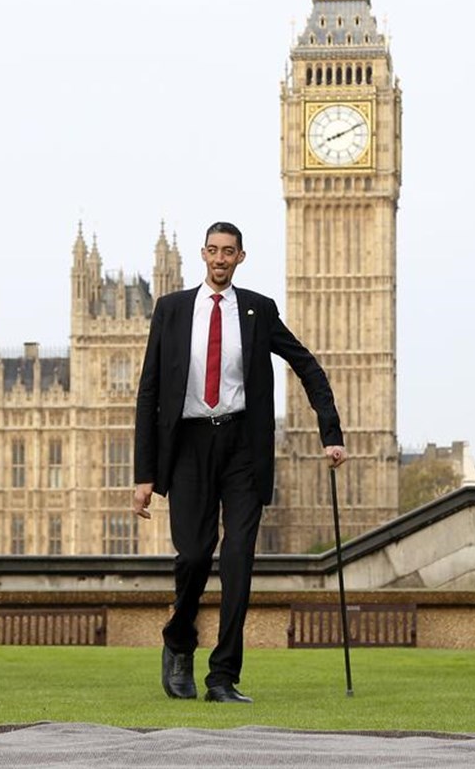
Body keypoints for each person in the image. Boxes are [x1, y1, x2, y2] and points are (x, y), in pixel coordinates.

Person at [133, 222, 346, 703]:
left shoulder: (257, 310)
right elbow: (148, 393)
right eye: (213, 250)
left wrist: (330, 433)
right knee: (192, 555)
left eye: (229, 252)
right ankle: (179, 640)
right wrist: (144, 475)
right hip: (188, 445)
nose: (220, 259)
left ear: (241, 257)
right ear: (203, 255)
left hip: (243, 447)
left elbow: (306, 364)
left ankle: (223, 676)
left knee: (238, 561)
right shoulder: (170, 311)